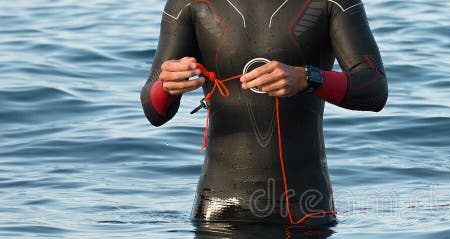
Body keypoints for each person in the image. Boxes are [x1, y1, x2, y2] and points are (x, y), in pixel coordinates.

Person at [140, 0, 388, 225]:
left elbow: (374, 88)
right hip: (217, 212)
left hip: (305, 210)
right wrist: (167, 86)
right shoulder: (188, 3)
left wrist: (308, 78)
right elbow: (154, 112)